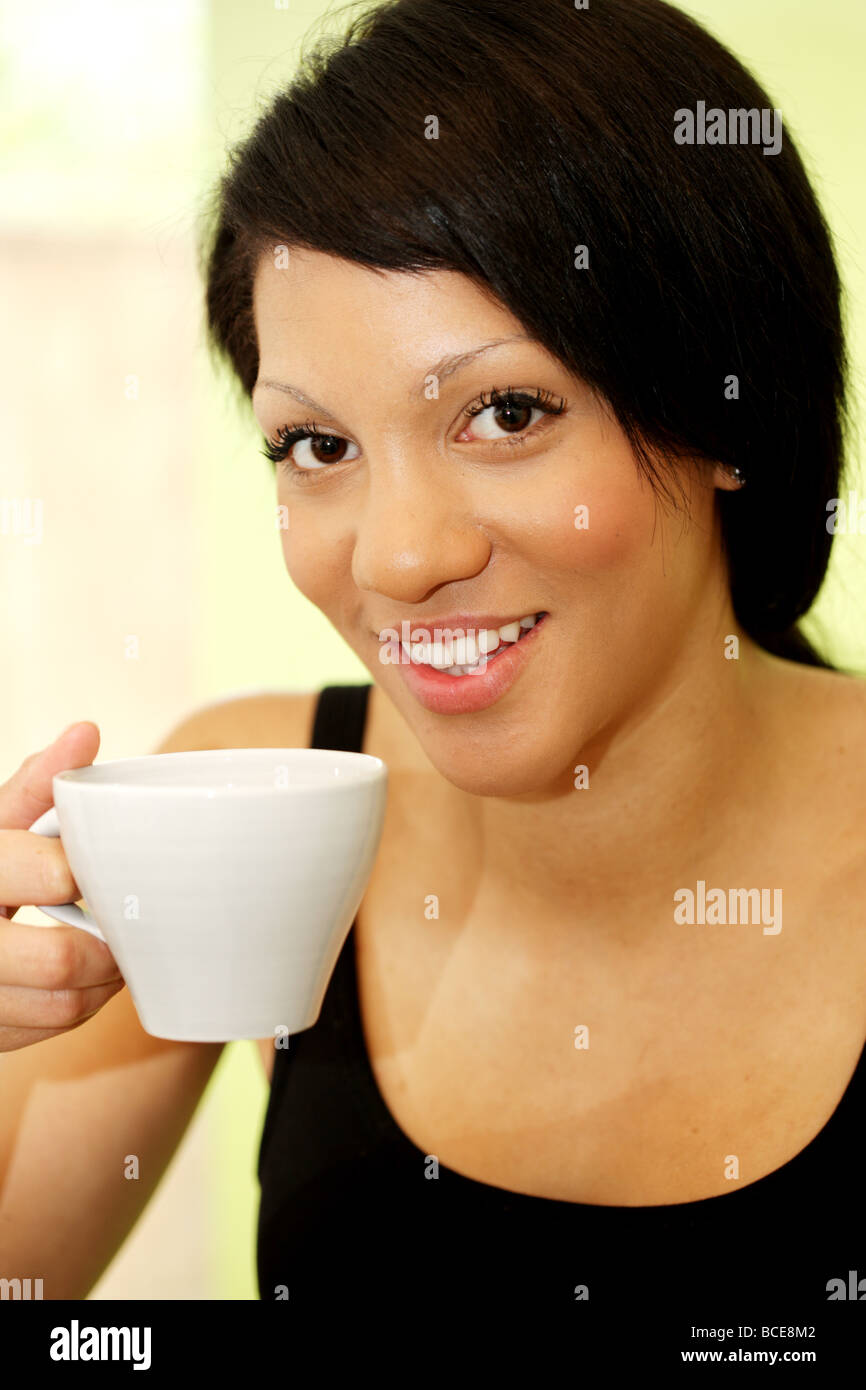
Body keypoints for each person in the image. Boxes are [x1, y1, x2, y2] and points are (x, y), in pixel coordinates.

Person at [1, 0, 864, 1315]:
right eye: (316, 445)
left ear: (724, 406)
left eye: (504, 412)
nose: (397, 559)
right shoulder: (244, 797)